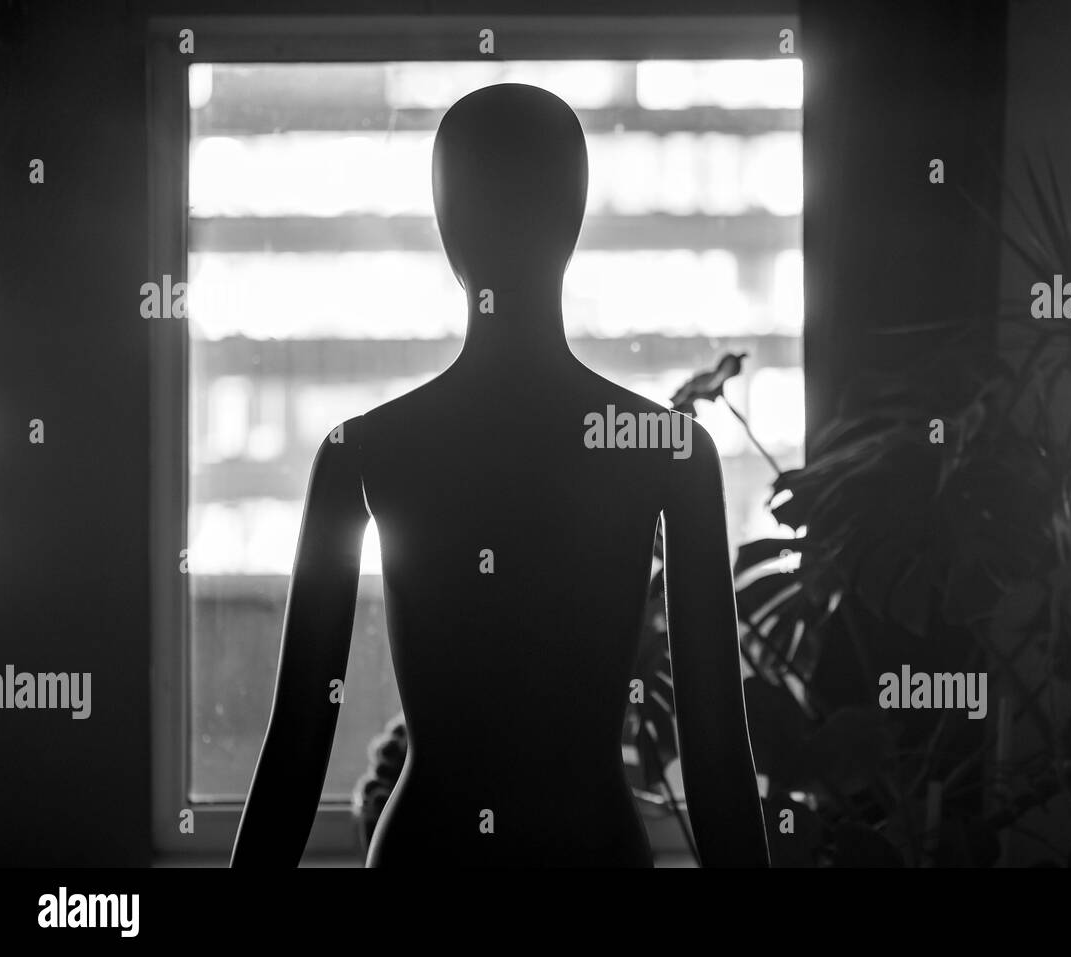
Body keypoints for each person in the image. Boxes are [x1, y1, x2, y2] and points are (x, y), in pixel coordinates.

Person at [230, 83, 770, 867]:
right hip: (591, 851)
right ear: (574, 221)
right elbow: (717, 743)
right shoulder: (668, 450)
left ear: (447, 225)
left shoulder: (365, 449)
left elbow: (295, 746)